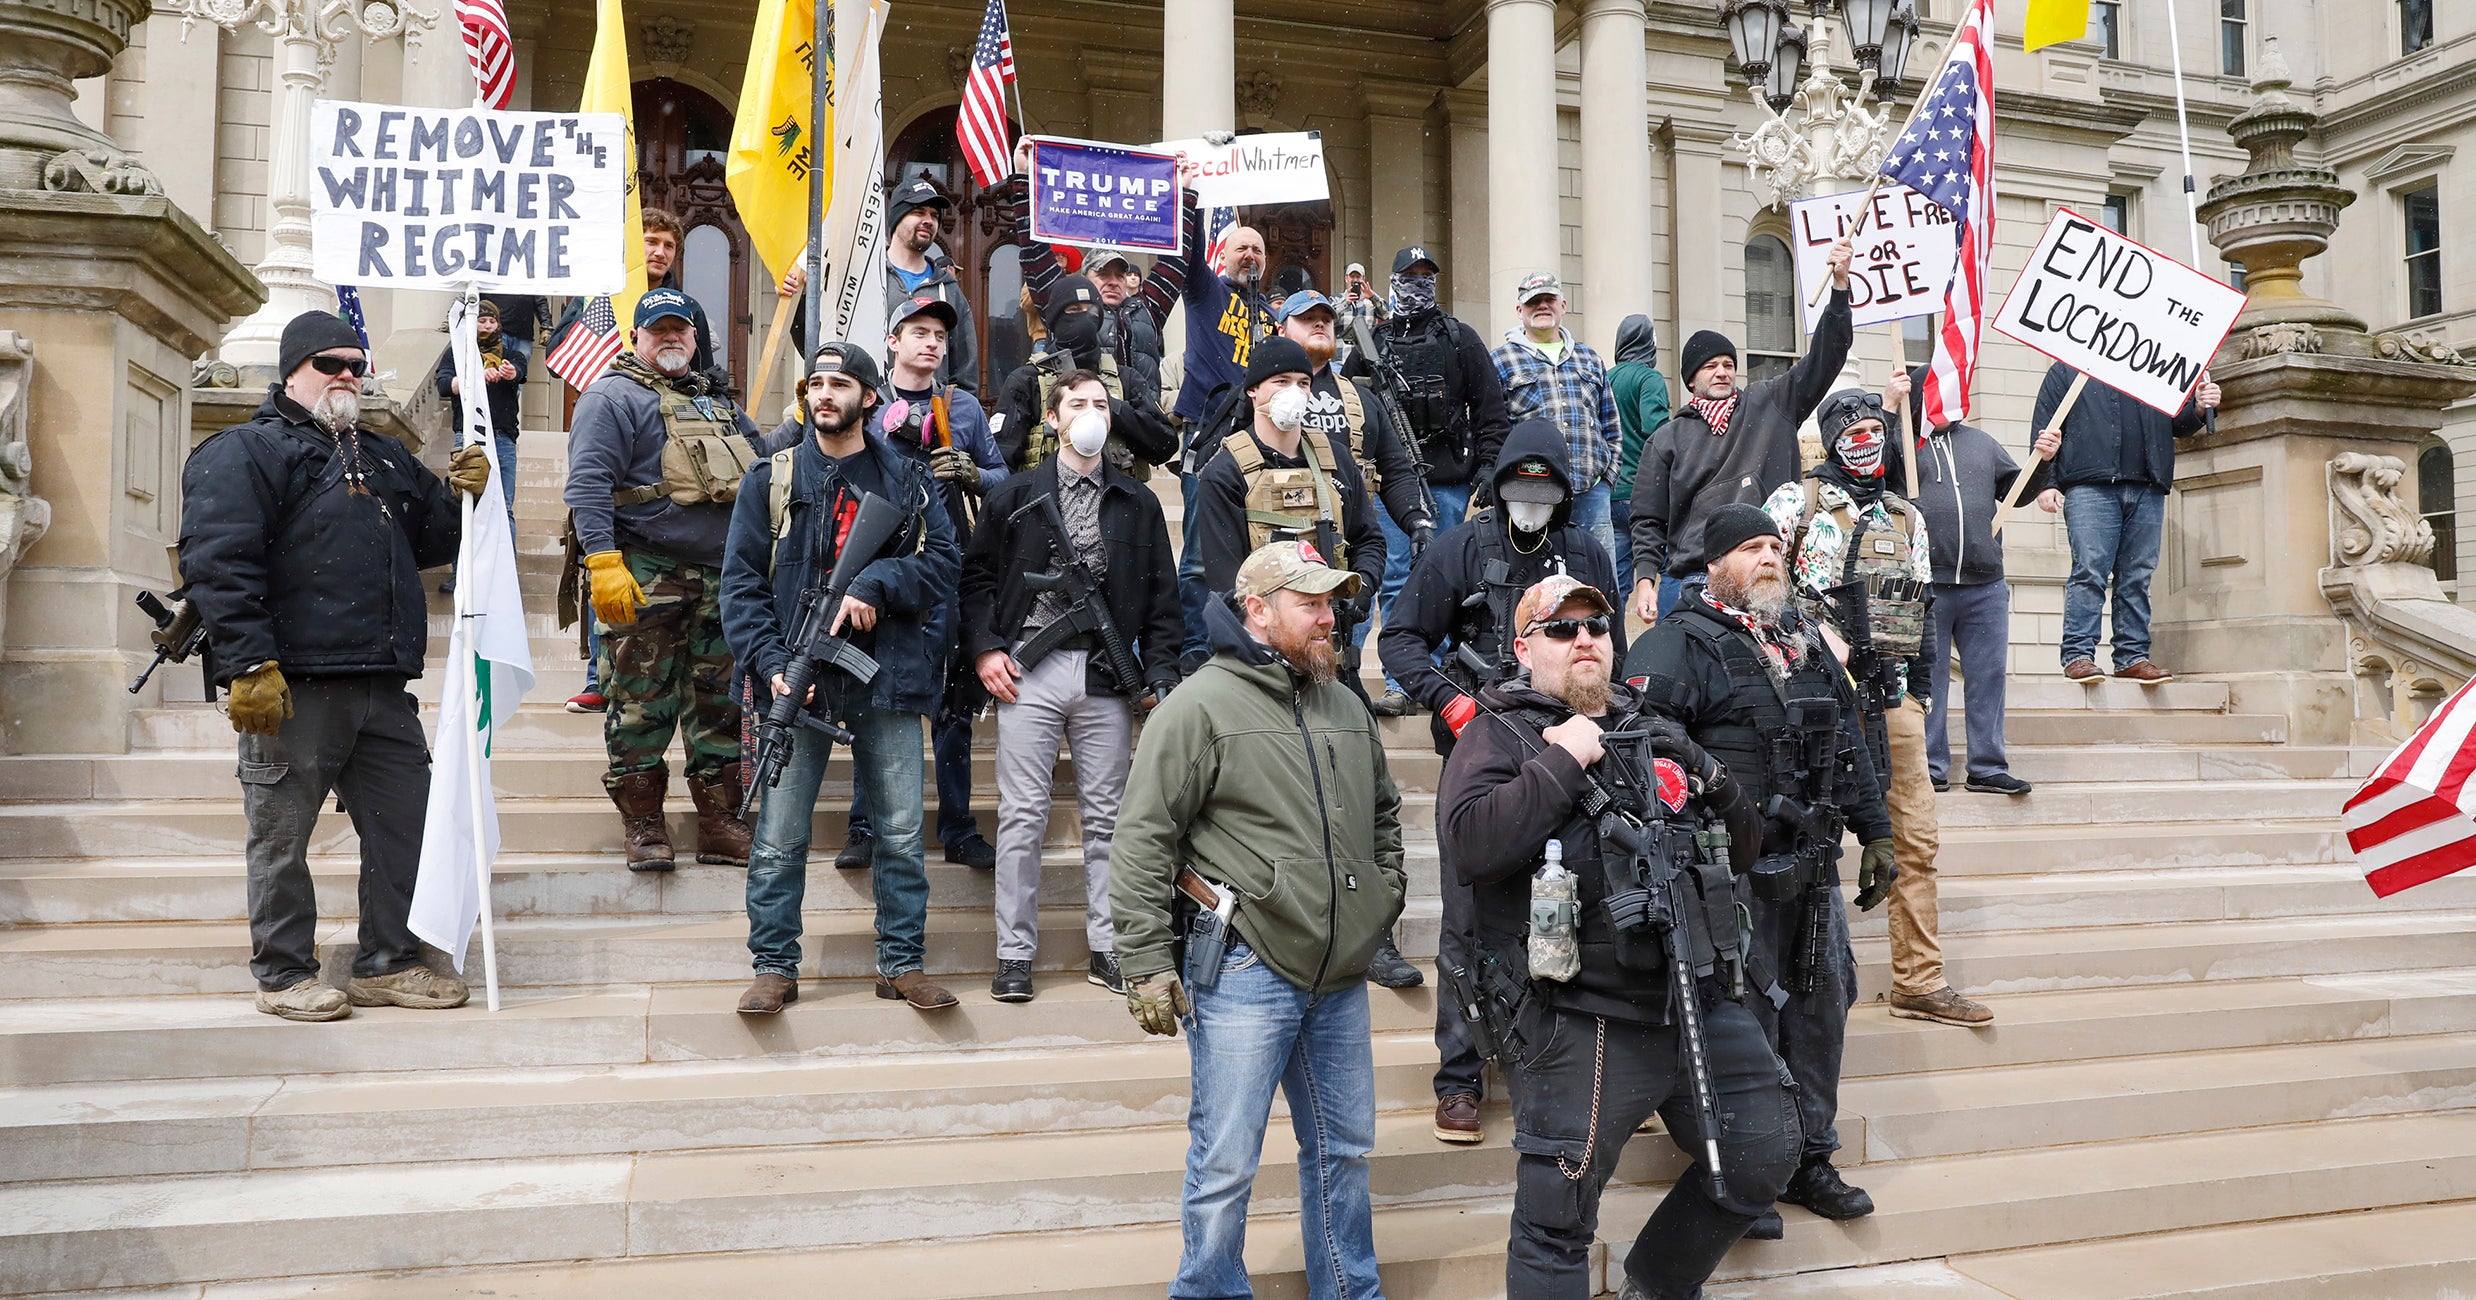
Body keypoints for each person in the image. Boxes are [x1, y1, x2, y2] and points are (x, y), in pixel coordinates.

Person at [1443, 576, 1797, 1299]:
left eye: (1597, 627)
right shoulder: (1500, 729)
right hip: (1584, 1016)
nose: (1584, 640)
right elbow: (1473, 846)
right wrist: (1565, 758)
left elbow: (1748, 846)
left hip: (1694, 995)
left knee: (1764, 1148)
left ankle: (1658, 1284)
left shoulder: (1652, 726)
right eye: (1561, 629)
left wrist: (1709, 771)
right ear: (1523, 648)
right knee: (1556, 1218)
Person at [1110, 540, 1407, 1300]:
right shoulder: (1197, 706)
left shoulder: (1345, 703)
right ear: (1257, 612)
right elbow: (1143, 837)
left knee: (1342, 1152)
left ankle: (1350, 1291)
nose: (1328, 618)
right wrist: (1143, 961)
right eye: (1309, 604)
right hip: (1247, 966)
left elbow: (1383, 816)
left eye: (1332, 603)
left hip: (1340, 973)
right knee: (1227, 1158)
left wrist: (1384, 895)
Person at [179, 310, 490, 1021]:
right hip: (291, 685)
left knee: (405, 828)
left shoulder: (382, 455)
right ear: (291, 371)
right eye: (329, 364)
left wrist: (466, 492)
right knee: (283, 839)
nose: (347, 376)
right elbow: (217, 562)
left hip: (381, 682)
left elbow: (437, 537)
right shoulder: (243, 451)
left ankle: (389, 962)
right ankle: (285, 973)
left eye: (356, 364)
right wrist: (248, 662)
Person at [1623, 503, 1896, 1239]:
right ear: (1715, 564)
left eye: (1775, 545)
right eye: (1750, 547)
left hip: (1811, 867)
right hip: (1726, 870)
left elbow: (1851, 743)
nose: (1769, 556)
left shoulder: (1803, 638)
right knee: (1743, 1018)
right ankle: (1745, 1171)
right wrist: (1715, 788)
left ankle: (1810, 1158)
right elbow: (1644, 738)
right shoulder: (1676, 643)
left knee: (1820, 1009)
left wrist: (1878, 833)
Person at [1379, 419, 1624, 1144]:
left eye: (1545, 490)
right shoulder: (1460, 546)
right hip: (1483, 742)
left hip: (1574, 741)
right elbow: (1400, 638)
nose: (1531, 502)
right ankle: (1459, 1076)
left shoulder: (1584, 553)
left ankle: (1595, 1061)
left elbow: (1609, 645)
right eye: (1520, 488)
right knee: (1466, 918)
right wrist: (1449, 699)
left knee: (1593, 902)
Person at [720, 342, 963, 1014]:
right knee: (779, 834)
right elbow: (740, 586)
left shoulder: (911, 482)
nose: (824, 394)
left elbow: (944, 566)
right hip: (795, 679)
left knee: (901, 831)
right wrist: (771, 665)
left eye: (839, 384)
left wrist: (878, 581)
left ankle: (902, 963)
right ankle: (774, 965)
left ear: (869, 398)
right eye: (816, 384)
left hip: (886, 673)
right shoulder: (769, 479)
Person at [1765, 380, 1992, 1033]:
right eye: (1854, 432)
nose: (1868, 441)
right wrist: (1810, 640)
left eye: (1876, 430)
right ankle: (1793, 987)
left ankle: (1919, 980)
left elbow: (1923, 608)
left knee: (1914, 841)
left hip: (1889, 701)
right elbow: (1757, 587)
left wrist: (1919, 693)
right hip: (1808, 699)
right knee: (1805, 841)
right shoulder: (1795, 500)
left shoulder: (1908, 516)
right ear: (1834, 438)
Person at [963, 369, 1183, 1002]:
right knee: (1023, 816)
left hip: (1105, 675)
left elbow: (1165, 601)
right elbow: (975, 581)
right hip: (1026, 673)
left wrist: (1159, 673)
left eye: (1101, 404)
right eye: (1078, 404)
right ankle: (1013, 953)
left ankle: (1109, 947)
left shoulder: (1136, 502)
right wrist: (985, 651)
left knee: (1109, 819)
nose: (1091, 413)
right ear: (1052, 419)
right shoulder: (1014, 495)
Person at [563, 288, 759, 875]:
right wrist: (601, 558)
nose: (671, 339)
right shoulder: (611, 398)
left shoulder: (718, 402)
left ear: (695, 338)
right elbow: (589, 482)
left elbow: (761, 461)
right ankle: (644, 826)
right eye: (659, 330)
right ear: (638, 337)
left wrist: (803, 421)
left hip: (723, 577)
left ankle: (719, 825)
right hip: (645, 571)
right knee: (640, 706)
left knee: (720, 706)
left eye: (681, 330)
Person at [830, 297, 1010, 872]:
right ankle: (864, 826)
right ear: (892, 341)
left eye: (939, 335)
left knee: (955, 706)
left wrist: (972, 472)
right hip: (882, 573)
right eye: (918, 332)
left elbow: (1002, 476)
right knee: (875, 698)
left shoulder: (961, 408)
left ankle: (956, 824)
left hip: (945, 569)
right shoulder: (864, 399)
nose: (931, 343)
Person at [1629, 238, 1856, 623]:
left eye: (1727, 364)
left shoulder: (1772, 402)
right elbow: (1647, 519)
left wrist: (1839, 287)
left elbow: (1826, 357)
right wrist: (1646, 580)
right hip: (1693, 579)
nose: (1721, 372)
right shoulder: (1667, 438)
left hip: (1766, 574)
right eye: (1709, 366)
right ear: (1690, 380)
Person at [1189, 338, 1387, 698]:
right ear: (1253, 391)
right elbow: (1225, 576)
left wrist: (1362, 589)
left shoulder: (1338, 460)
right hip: (1262, 651)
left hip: (1330, 642)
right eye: (1281, 382)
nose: (1294, 392)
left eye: (1303, 382)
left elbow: (1368, 537)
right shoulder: (1226, 470)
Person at [1886, 365, 2051, 797]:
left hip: (1985, 583)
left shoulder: (1982, 443)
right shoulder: (1902, 443)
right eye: (1937, 391)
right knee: (1930, 681)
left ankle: (1987, 765)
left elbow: (2020, 489)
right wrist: (1889, 410)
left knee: (1989, 675)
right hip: (1927, 584)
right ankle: (1931, 766)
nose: (1947, 399)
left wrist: (2046, 461)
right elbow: (1874, 471)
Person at [2022, 362, 2222, 683]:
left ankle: (2132, 656)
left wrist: (2199, 406)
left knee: (2137, 576)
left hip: (2148, 484)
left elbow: (2179, 424)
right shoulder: (2068, 369)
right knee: (2090, 571)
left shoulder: (2155, 363)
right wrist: (2047, 481)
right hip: (2089, 485)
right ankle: (2078, 654)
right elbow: (2046, 429)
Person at [1172, 199, 1271, 672]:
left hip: (1261, 444)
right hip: (1209, 437)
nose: (1249, 255)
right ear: (1224, 256)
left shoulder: (1272, 316)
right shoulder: (1205, 293)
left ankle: (1246, 639)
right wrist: (1189, 196)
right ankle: (1194, 647)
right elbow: (1186, 252)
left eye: (1257, 249)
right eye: (1240, 249)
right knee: (1196, 553)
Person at [1491, 273, 1622, 568]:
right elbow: (1493, 430)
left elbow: (1611, 423)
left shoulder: (1590, 359)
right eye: (1533, 302)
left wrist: (1608, 478)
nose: (1542, 306)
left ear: (1563, 305)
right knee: (1535, 579)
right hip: (1530, 495)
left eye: (1549, 300)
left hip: (1591, 493)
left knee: (1599, 576)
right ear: (1519, 311)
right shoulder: (1500, 361)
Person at [991, 275, 1178, 475]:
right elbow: (1000, 463)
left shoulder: (1126, 379)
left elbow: (1164, 445)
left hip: (1115, 502)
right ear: (1055, 319)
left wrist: (1110, 407)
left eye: (1091, 310)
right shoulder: (1027, 381)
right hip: (1046, 501)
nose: (1085, 317)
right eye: (1074, 310)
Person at [435, 298, 527, 530]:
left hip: (502, 438)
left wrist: (508, 373)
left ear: (498, 325)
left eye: (491, 321)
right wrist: (474, 378)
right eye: (481, 320)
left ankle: (505, 567)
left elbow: (519, 372)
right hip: (468, 437)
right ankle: (463, 567)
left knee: (503, 508)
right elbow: (444, 384)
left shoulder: (512, 354)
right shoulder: (456, 354)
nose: (487, 326)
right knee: (465, 507)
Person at [1607, 314, 1671, 600]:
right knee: (1671, 571)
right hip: (1644, 497)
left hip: (1609, 495)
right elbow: (1657, 431)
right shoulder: (1649, 379)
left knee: (1614, 585)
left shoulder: (1605, 376)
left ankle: (1612, 643)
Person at [1335, 259, 1386, 338]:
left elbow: (1387, 315)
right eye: (1352, 276)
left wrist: (1373, 297)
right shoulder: (1336, 299)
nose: (1355, 280)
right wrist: (1345, 303)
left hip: (1366, 348)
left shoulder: (1372, 300)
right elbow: (1328, 320)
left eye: (1358, 276)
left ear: (1363, 279)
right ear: (1346, 278)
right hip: (1343, 349)